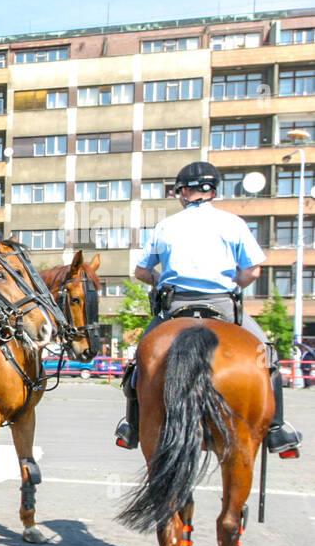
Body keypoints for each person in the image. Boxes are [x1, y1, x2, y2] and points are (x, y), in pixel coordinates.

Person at [115, 161, 301, 455]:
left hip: (175, 307)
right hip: (223, 306)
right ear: (212, 191)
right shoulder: (233, 223)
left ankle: (133, 426)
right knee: (269, 356)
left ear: (184, 192)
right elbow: (252, 271)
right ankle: (277, 429)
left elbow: (141, 271)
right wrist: (234, 284)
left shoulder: (166, 226)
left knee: (139, 360)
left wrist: (157, 278)